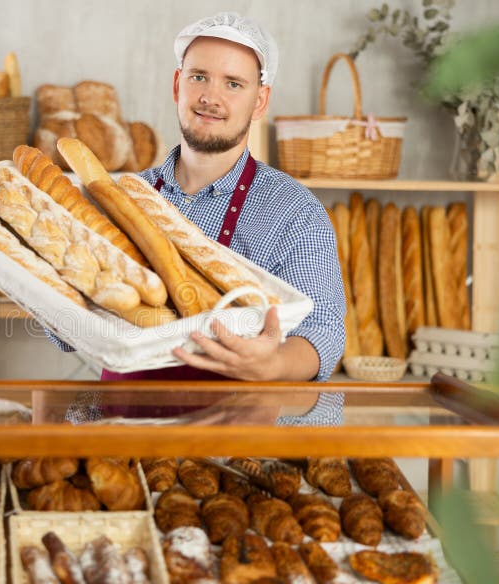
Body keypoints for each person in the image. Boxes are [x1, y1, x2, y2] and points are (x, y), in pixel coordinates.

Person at [52, 12, 345, 384]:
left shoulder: (294, 211)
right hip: (123, 428)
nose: (210, 97)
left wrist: (274, 365)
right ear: (178, 85)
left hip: (234, 433)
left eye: (234, 84)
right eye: (199, 77)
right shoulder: (119, 196)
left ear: (260, 101)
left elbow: (324, 332)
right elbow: (63, 333)